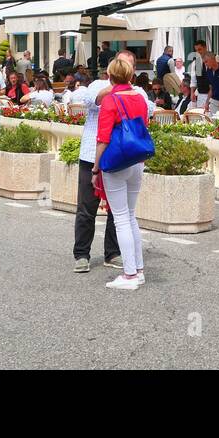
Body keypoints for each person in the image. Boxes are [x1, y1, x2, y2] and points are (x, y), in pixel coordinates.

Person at [94, 56, 149, 290]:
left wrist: (95, 167)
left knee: (120, 218)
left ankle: (129, 275)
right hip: (137, 160)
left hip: (116, 162)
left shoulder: (110, 100)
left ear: (110, 76)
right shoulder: (140, 97)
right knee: (131, 215)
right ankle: (138, 269)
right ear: (130, 75)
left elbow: (103, 138)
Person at [72, 62, 119, 273]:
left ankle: (113, 253)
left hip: (118, 157)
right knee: (86, 208)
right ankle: (81, 254)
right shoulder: (98, 85)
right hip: (91, 155)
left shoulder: (133, 90)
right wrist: (115, 87)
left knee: (117, 210)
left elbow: (148, 107)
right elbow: (91, 101)